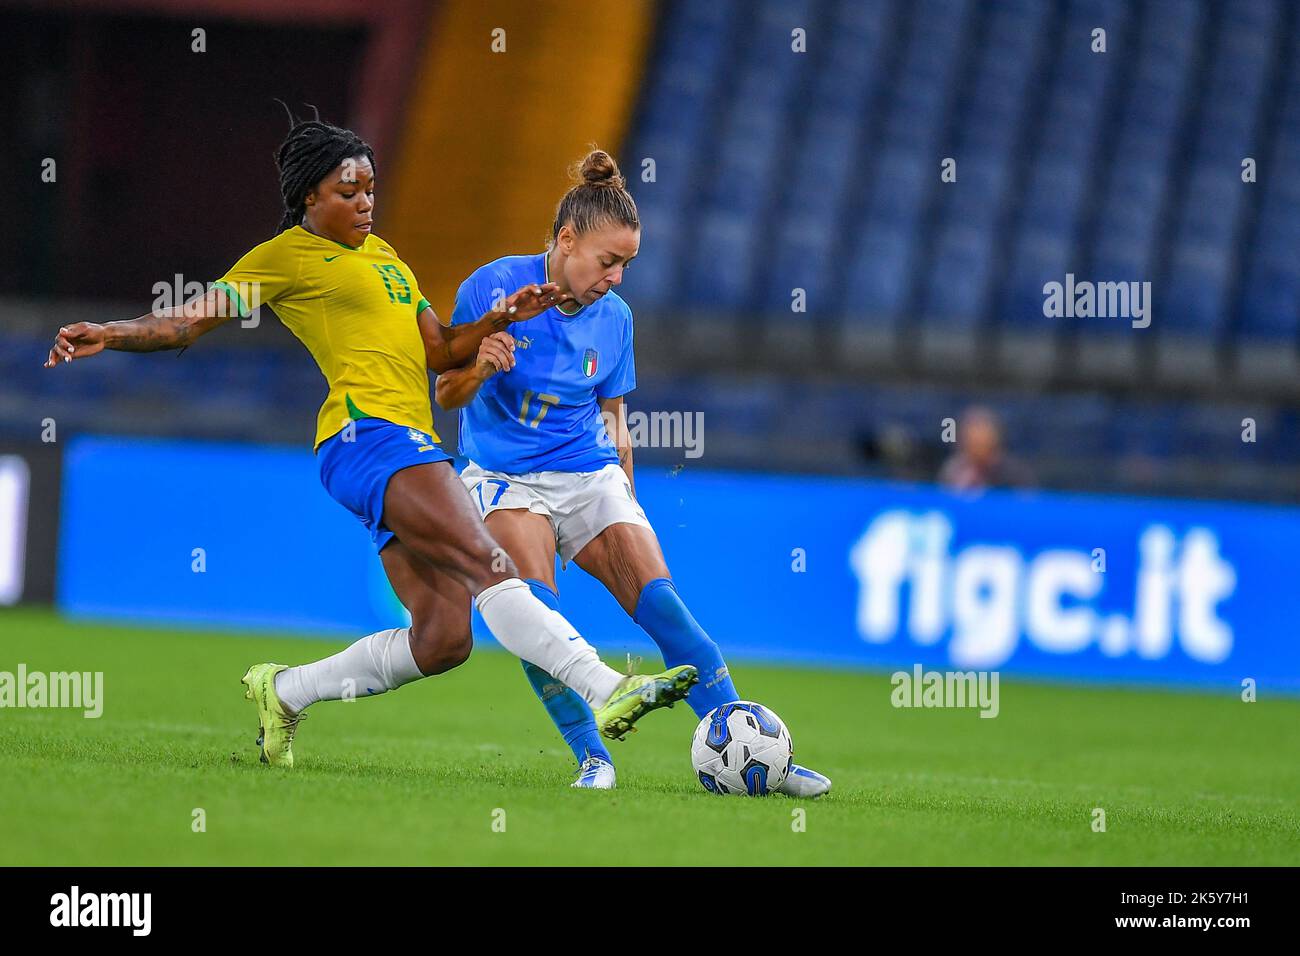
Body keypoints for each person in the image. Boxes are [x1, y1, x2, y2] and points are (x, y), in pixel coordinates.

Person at [43, 119, 697, 768]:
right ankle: (609, 689)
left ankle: (286, 691)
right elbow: (187, 322)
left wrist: (502, 319)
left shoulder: (385, 257)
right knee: (488, 562)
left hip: (406, 442)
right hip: (367, 437)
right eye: (347, 190)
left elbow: (440, 351)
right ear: (309, 198)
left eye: (370, 190)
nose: (364, 203)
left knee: (444, 639)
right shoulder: (283, 258)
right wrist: (115, 330)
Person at [435, 149, 831, 796]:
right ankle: (594, 758)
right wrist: (481, 366)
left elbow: (615, 418)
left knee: (667, 610)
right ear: (567, 241)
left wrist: (626, 497)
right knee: (536, 618)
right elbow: (447, 393)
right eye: (609, 261)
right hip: (505, 480)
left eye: (627, 265)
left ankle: (761, 756)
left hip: (588, 474)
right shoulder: (493, 285)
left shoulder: (616, 321)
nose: (617, 277)